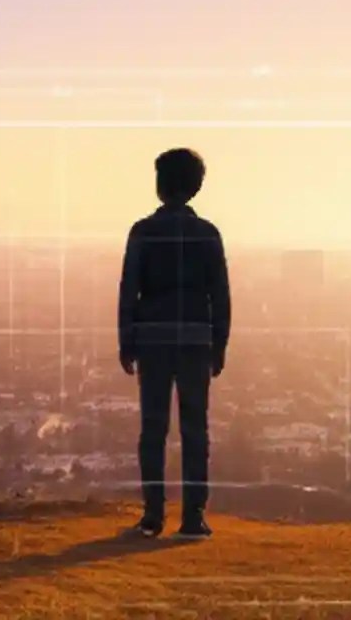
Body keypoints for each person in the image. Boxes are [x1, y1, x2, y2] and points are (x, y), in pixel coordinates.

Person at [117, 148, 230, 539]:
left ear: (160, 185)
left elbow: (129, 290)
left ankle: (152, 516)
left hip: (153, 339)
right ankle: (193, 518)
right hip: (197, 340)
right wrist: (220, 344)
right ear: (196, 186)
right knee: (195, 429)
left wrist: (126, 340)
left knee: (153, 429)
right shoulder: (208, 234)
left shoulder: (143, 232)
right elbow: (221, 295)